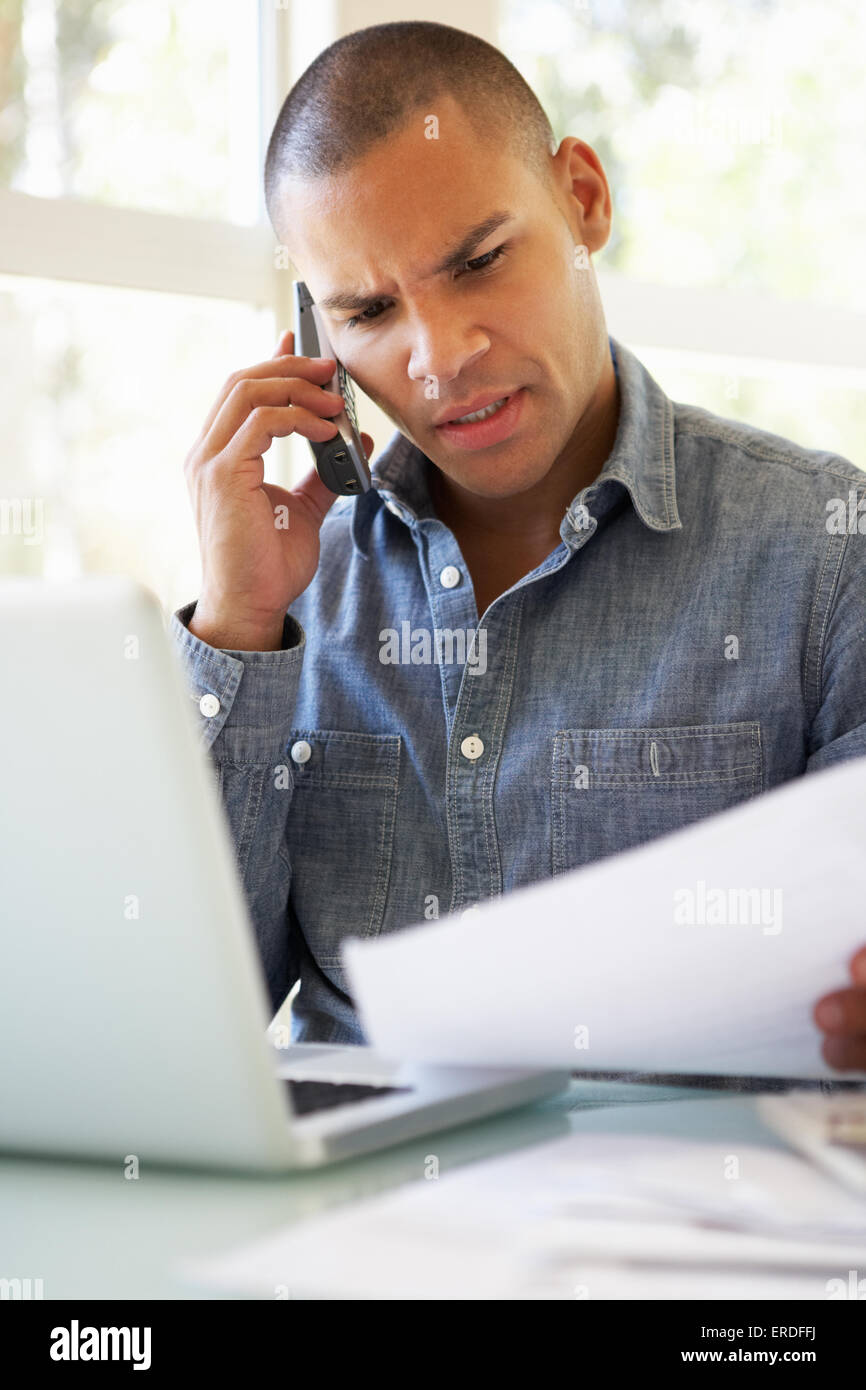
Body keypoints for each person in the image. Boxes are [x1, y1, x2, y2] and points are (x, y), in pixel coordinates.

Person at [174, 21, 866, 1067]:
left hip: (679, 1199)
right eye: (367, 309)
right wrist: (239, 626)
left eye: (480, 261)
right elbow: (189, 1011)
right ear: (315, 339)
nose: (440, 358)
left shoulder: (823, 553)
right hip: (358, 1207)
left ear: (580, 200)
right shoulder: (286, 588)